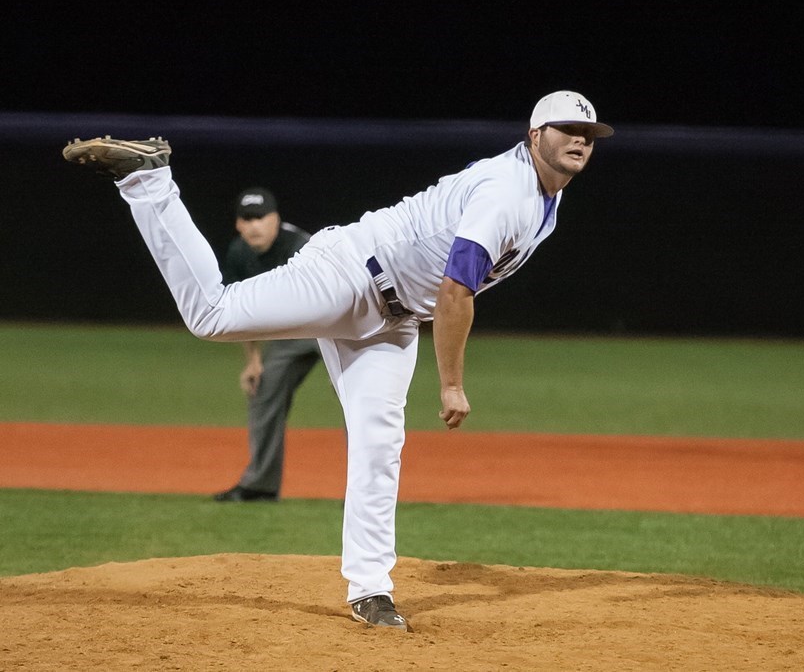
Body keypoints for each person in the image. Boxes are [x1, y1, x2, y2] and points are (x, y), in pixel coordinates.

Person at [62, 90, 614, 631]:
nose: (581, 141)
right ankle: (148, 179)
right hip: (351, 273)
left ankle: (370, 589)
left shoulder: (547, 195)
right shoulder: (507, 192)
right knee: (213, 314)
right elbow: (454, 290)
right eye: (569, 130)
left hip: (392, 318)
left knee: (380, 442)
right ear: (535, 135)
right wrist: (451, 384)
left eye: (589, 135)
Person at [213, 187, 322, 502]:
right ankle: (260, 485)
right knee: (263, 388)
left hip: (333, 328)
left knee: (354, 401)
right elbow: (238, 308)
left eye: (261, 217)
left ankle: (366, 491)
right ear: (238, 225)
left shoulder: (301, 246)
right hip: (291, 333)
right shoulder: (239, 252)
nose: (254, 225)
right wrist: (253, 360)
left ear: (276, 219)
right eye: (247, 219)